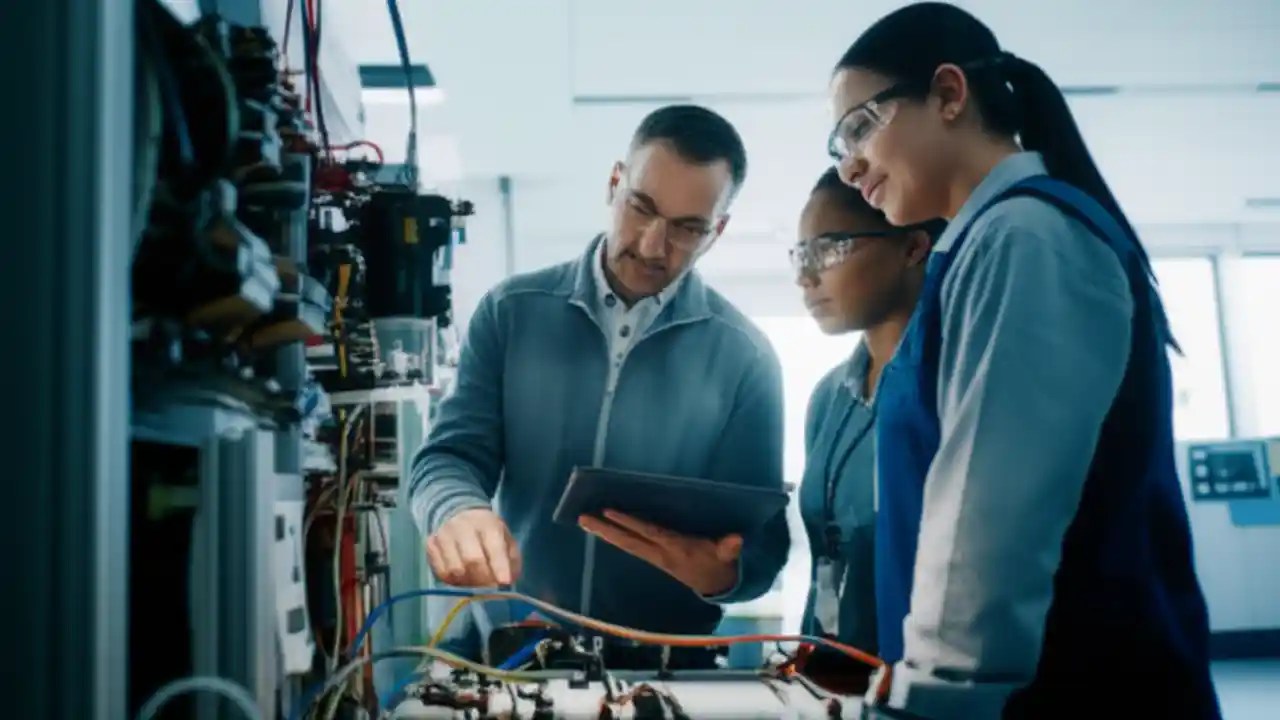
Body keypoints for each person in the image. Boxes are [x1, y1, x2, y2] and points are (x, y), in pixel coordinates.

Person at [825, 3, 1220, 718]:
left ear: (948, 94)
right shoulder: (981, 247)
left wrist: (932, 699)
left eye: (859, 126)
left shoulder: (1026, 239)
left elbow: (988, 521)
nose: (849, 166)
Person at [409, 104, 789, 668]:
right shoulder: (510, 313)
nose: (653, 245)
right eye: (641, 208)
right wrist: (457, 508)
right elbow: (447, 458)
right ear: (615, 184)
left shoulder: (747, 359)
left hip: (666, 674)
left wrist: (726, 575)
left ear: (719, 230)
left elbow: (762, 544)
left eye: (689, 228)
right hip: (511, 657)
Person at [790, 169, 942, 693]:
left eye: (829, 249)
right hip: (831, 681)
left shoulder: (948, 392)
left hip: (922, 688)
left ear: (913, 247)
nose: (806, 277)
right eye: (800, 255)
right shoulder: (830, 398)